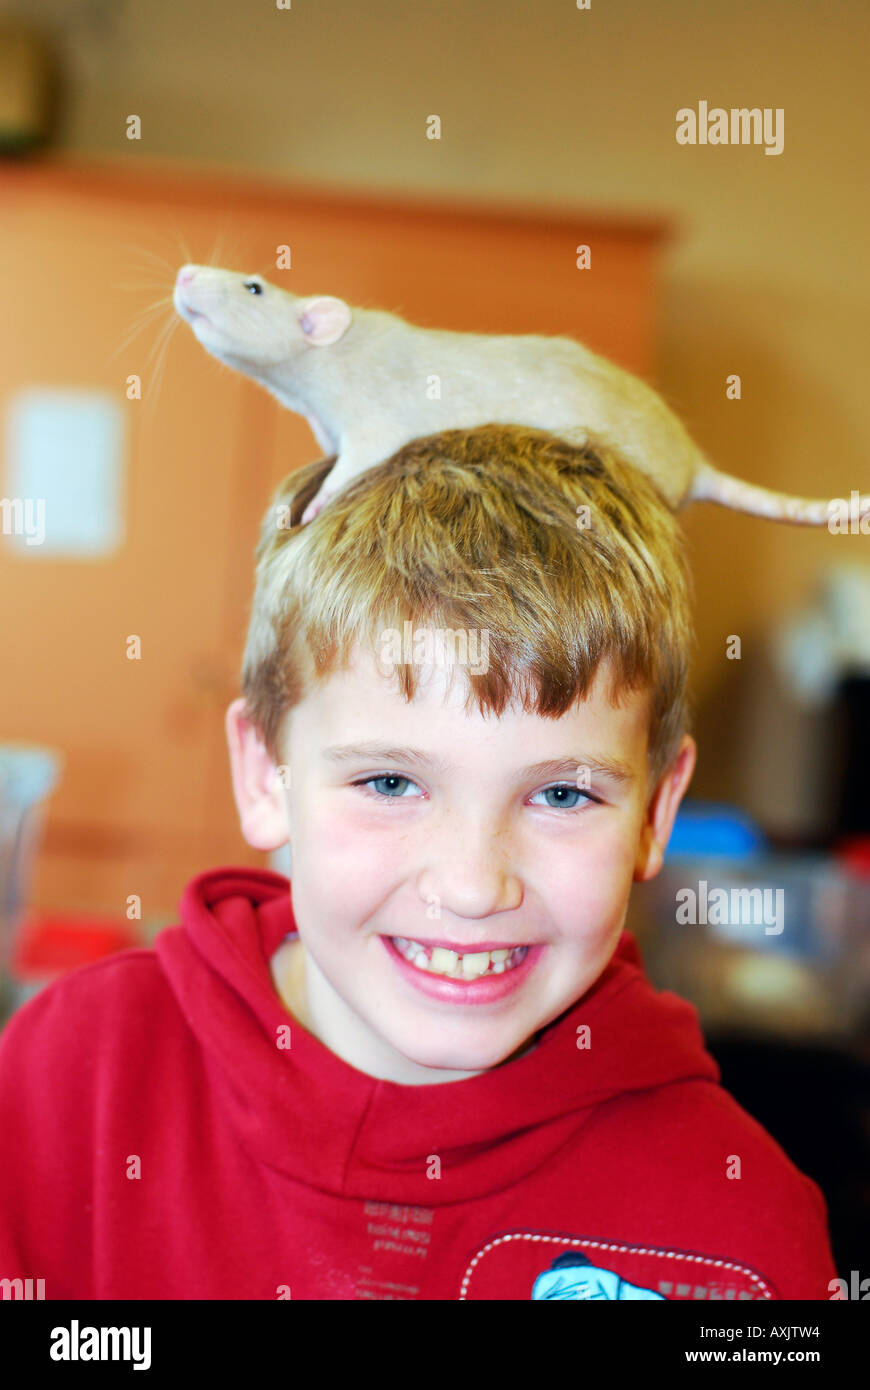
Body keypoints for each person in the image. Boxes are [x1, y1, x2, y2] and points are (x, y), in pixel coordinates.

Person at [0, 425, 838, 1300]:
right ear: (264, 774)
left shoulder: (741, 1240)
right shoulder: (73, 1079)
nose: (473, 887)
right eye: (392, 781)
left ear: (657, 812)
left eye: (560, 797)